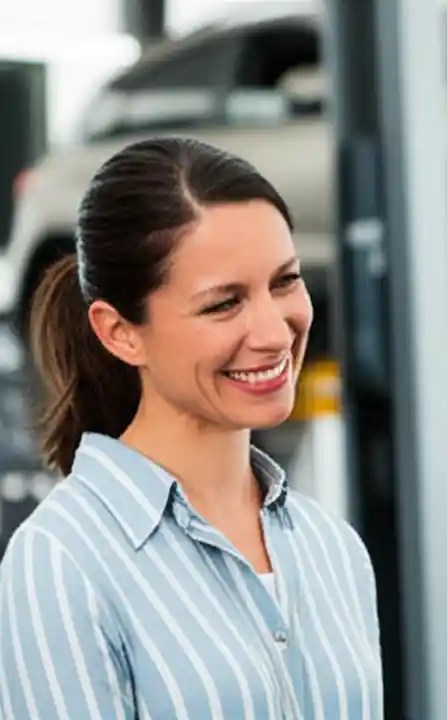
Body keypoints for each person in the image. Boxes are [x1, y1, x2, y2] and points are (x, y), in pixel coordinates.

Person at [0, 137, 383, 720]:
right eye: (224, 304)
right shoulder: (61, 561)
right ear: (120, 332)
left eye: (284, 282)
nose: (276, 333)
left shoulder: (333, 548)